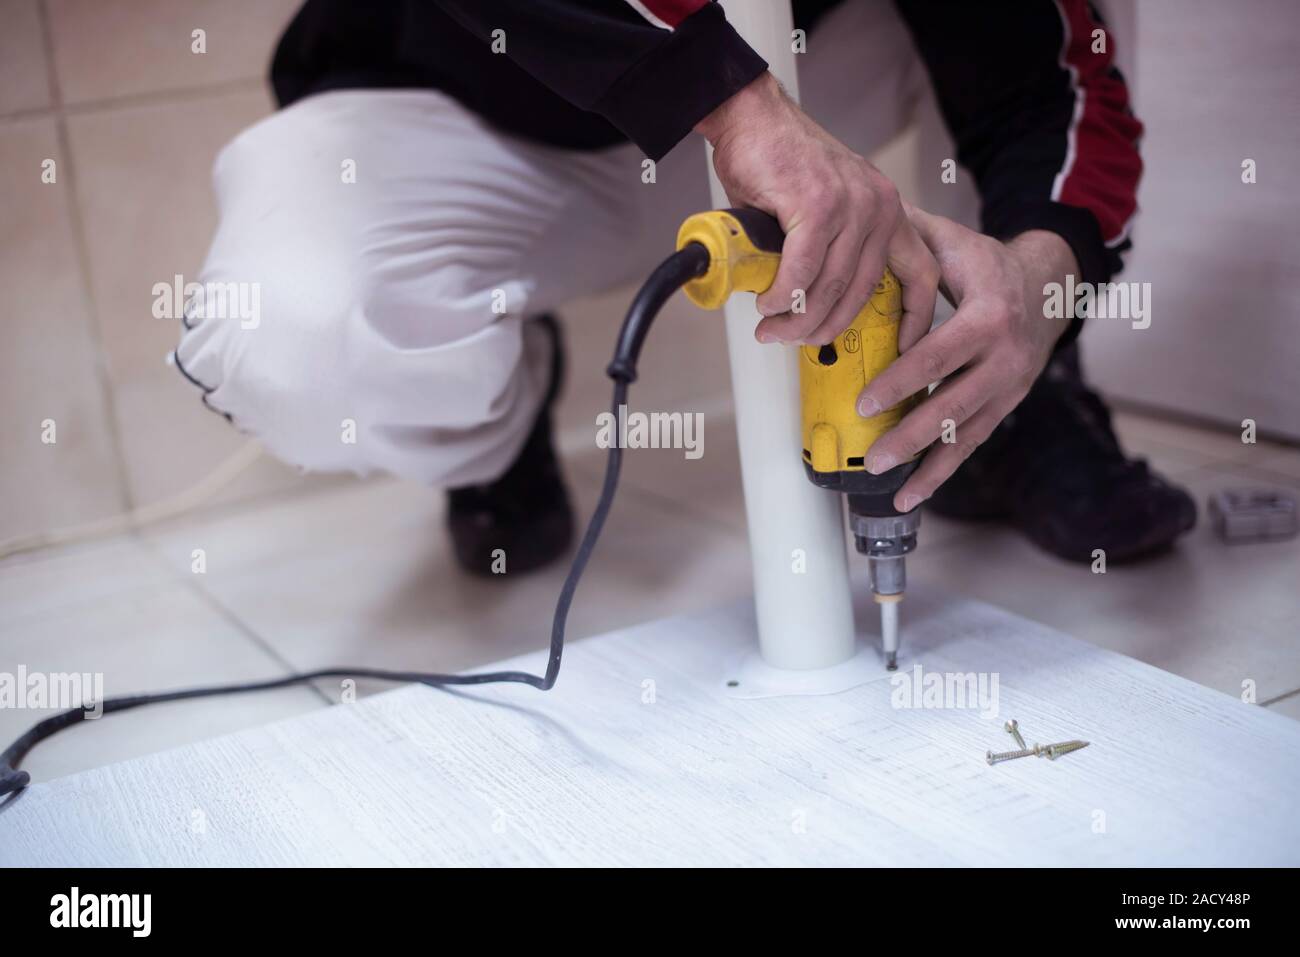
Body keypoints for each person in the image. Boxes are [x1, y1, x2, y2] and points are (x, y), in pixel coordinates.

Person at [174, 0, 1195, 575]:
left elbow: (1052, 76)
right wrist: (731, 107)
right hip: (473, 102)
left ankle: (994, 392)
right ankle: (497, 391)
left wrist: (1038, 278)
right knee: (282, 338)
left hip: (802, 67)